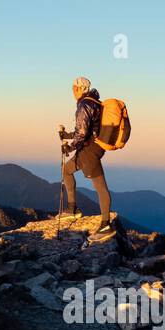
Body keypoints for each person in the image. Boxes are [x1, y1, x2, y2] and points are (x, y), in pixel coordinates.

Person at [58, 76, 114, 235]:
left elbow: (82, 133)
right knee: (66, 170)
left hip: (89, 151)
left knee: (101, 188)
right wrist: (67, 135)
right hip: (90, 148)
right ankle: (72, 208)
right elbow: (86, 130)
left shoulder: (84, 104)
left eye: (73, 88)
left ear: (78, 89)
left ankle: (106, 225)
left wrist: (70, 147)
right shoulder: (94, 102)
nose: (72, 91)